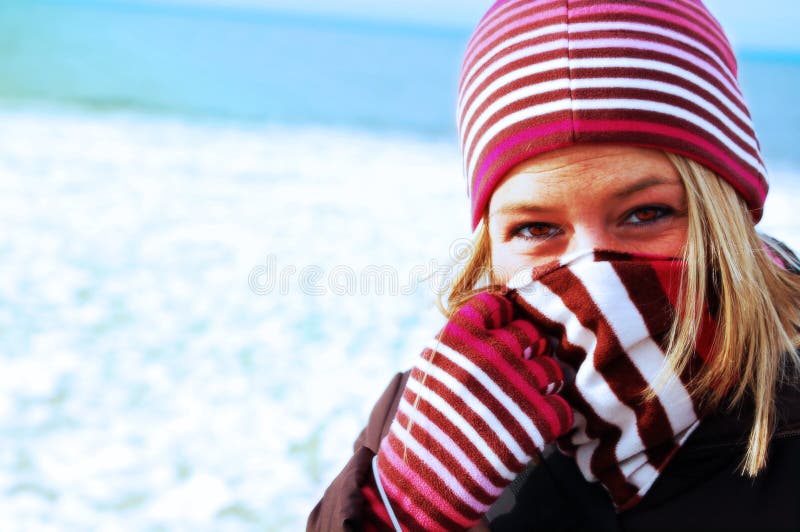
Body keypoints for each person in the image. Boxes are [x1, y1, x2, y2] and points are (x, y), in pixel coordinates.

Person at [308, 0, 800, 530]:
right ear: (492, 243)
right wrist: (392, 511)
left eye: (646, 213)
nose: (588, 268)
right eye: (537, 229)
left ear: (722, 218)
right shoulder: (424, 422)